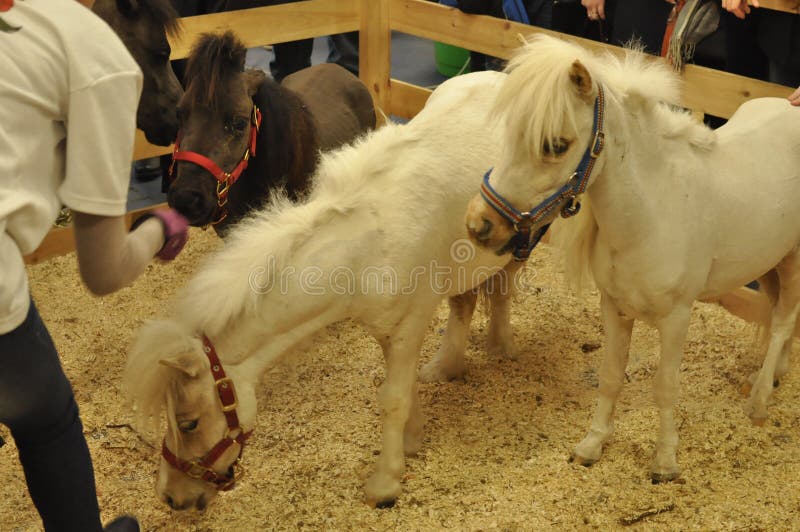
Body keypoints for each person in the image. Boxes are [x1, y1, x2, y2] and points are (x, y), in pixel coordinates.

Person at [0, 1, 189, 531]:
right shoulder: (93, 50)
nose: (165, 82)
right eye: (157, 57)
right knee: (47, 420)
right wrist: (158, 227)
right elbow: (103, 272)